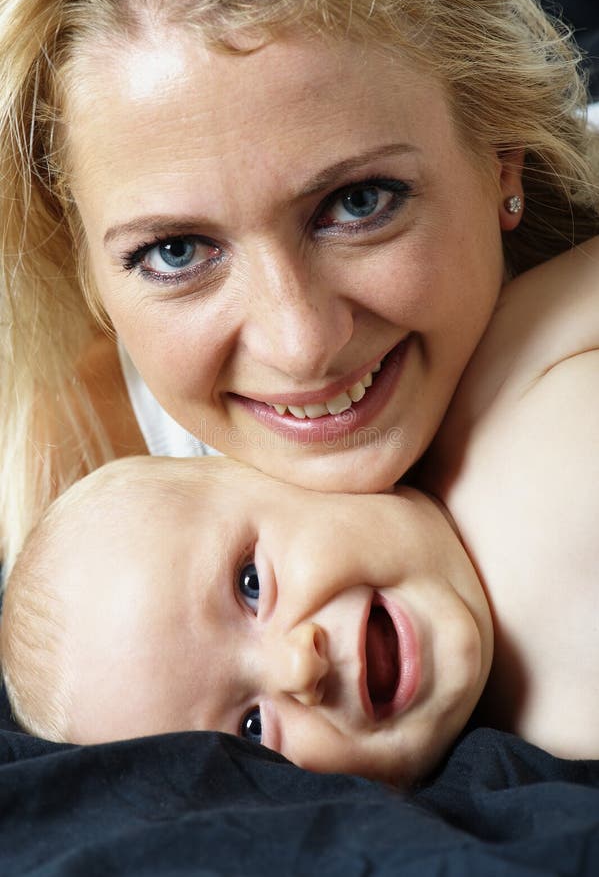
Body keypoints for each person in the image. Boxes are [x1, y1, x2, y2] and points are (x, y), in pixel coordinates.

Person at [1, 0, 599, 578]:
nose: (301, 347)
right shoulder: (62, 476)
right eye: (176, 251)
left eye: (359, 203)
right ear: (86, 265)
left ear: (502, 161)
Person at [3, 233, 598, 785]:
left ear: (289, 474)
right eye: (254, 732)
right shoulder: (536, 772)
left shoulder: (497, 381)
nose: (297, 669)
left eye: (251, 583)